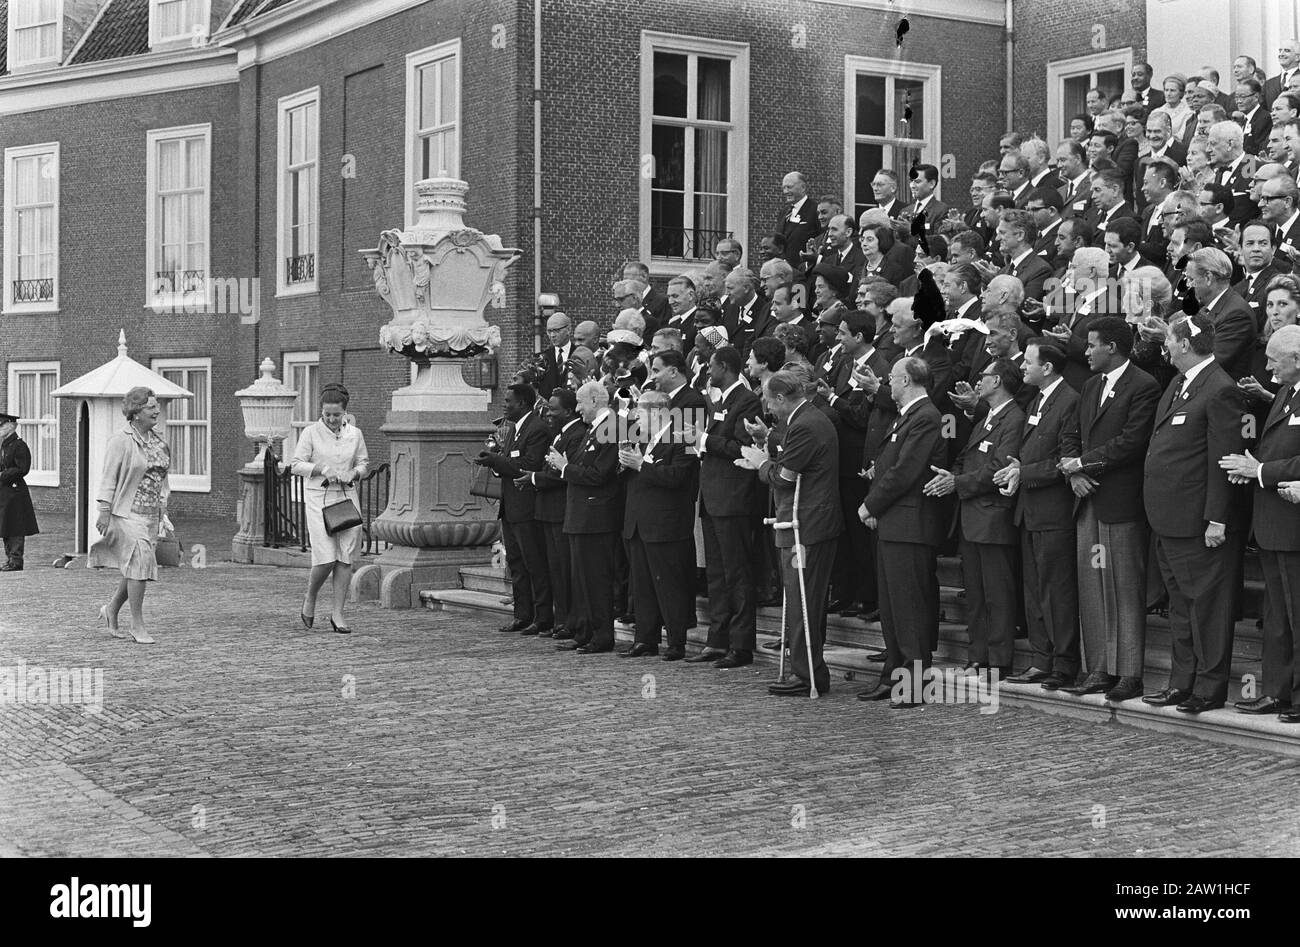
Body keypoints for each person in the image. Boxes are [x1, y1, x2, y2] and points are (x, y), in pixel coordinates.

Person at [1139, 313, 1247, 712]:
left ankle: (1209, 687)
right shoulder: (1178, 383)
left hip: (1197, 522)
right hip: (1167, 519)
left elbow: (1224, 459)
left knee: (1207, 608)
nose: (1165, 345)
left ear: (1184, 343)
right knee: (1182, 607)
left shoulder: (1220, 388)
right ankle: (1181, 681)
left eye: (1169, 338)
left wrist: (1217, 518)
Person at [1061, 318, 1161, 699]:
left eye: (1091, 345)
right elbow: (1070, 434)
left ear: (1113, 347)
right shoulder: (1090, 386)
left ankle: (1129, 673)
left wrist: (1084, 465)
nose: (1085, 352)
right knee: (1092, 586)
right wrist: (1073, 473)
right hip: (1086, 499)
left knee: (1124, 586)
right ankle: (1099, 668)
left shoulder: (1144, 386)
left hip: (1120, 501)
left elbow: (1132, 441)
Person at [739, 371, 841, 697]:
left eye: (769, 400)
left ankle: (806, 672)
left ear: (782, 398)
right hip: (805, 523)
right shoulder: (805, 420)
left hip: (806, 525)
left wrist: (760, 464)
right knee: (800, 599)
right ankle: (808, 669)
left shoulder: (806, 425)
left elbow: (784, 477)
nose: (768, 408)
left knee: (802, 601)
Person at [856, 356, 947, 706]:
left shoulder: (926, 417)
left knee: (909, 607)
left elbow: (905, 470)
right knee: (893, 608)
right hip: (895, 522)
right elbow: (888, 465)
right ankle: (893, 673)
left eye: (892, 377)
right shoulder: (908, 416)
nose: (887, 383)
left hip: (911, 524)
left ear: (907, 380)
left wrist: (871, 504)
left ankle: (913, 683)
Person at [1220, 324, 1300, 721]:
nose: (1266, 365)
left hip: (1292, 524)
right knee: (1279, 617)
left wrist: (1261, 470)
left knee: (1296, 614)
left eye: (1273, 359)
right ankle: (1277, 691)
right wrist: (1248, 469)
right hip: (1273, 522)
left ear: (1297, 360)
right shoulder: (1287, 392)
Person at [928, 358, 1026, 681]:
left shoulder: (1013, 418)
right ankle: (978, 655)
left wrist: (956, 483)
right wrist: (951, 475)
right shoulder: (987, 418)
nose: (979, 381)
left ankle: (999, 660)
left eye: (984, 376)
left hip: (992, 517)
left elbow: (997, 467)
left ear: (997, 381)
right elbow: (965, 457)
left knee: (998, 593)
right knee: (976, 593)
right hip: (972, 517)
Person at [996, 341, 1081, 689]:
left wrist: (1024, 473)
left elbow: (1065, 458)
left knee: (1056, 590)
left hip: (1053, 512)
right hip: (1029, 512)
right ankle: (1040, 657)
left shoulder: (1070, 400)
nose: (1023, 368)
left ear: (1047, 367)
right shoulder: (1036, 400)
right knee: (1034, 591)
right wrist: (1018, 467)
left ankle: (1063, 663)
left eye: (1029, 362)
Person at [689, 346, 764, 668]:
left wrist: (704, 440)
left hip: (733, 499)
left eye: (711, 366)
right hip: (714, 497)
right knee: (717, 575)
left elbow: (741, 447)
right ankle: (717, 640)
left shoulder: (746, 400)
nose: (707, 371)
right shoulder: (720, 401)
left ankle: (740, 644)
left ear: (724, 367)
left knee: (736, 574)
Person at [88, 387, 174, 644]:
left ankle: (112, 609)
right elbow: (109, 477)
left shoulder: (159, 441)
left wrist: (164, 510)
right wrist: (104, 511)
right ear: (136, 413)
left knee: (136, 567)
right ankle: (137, 625)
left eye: (157, 406)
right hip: (127, 513)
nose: (156, 410)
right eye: (150, 407)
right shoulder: (121, 440)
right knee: (139, 561)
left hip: (151, 514)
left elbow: (162, 478)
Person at [289, 383, 370, 635]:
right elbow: (295, 464)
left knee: (345, 556)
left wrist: (353, 473)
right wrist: (322, 469)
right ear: (321, 412)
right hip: (318, 497)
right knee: (325, 557)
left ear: (345, 412)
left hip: (346, 498)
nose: (332, 419)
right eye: (327, 414)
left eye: (336, 415)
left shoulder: (355, 434)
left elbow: (364, 463)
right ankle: (310, 596)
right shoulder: (311, 433)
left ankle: (338, 614)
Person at [550, 381, 621, 654]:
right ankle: (586, 630)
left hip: (596, 515)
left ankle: (602, 635)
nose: (577, 408)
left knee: (596, 579)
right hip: (582, 514)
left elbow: (600, 474)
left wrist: (566, 468)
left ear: (595, 400)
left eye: (580, 402)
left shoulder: (611, 427)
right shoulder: (595, 429)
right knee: (582, 578)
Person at [477, 382, 553, 636]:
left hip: (527, 507)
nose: (505, 405)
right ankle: (522, 615)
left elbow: (529, 464)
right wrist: (495, 461)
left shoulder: (538, 429)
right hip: (510, 507)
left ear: (522, 403)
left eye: (508, 401)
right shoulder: (513, 429)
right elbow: (511, 462)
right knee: (517, 563)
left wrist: (498, 460)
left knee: (534, 564)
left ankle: (542, 617)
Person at [524, 387, 587, 640]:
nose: (548, 413)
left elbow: (563, 473)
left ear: (568, 411)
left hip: (562, 509)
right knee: (555, 569)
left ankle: (569, 620)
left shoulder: (576, 434)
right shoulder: (560, 433)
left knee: (565, 569)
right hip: (548, 510)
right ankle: (560, 619)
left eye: (553, 409)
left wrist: (534, 478)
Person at [0, 412, 39, 572]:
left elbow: (23, 468)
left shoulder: (19, 445)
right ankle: (9, 558)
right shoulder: (4, 444)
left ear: (11, 425)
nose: (0, 428)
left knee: (15, 526)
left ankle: (16, 560)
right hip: (4, 491)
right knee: (5, 526)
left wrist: (3, 475)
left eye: (2, 425)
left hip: (15, 492)